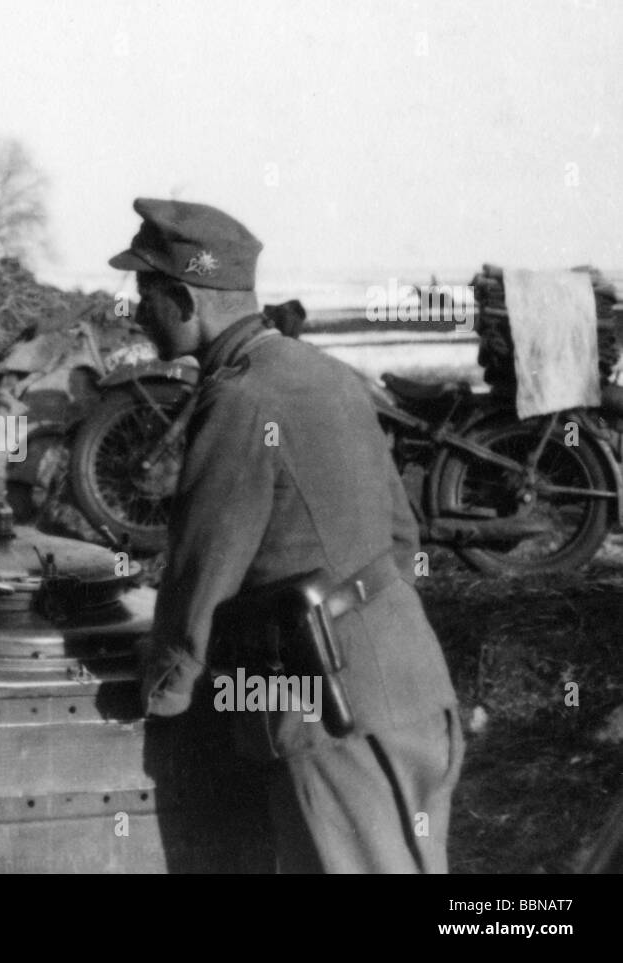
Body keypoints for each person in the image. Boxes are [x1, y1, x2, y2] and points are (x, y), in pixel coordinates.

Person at [110, 198, 463, 873]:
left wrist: (164, 690)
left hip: (333, 714)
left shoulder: (239, 398)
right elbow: (399, 533)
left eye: (144, 295)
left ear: (183, 299)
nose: (138, 314)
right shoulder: (324, 373)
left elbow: (202, 567)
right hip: (411, 688)